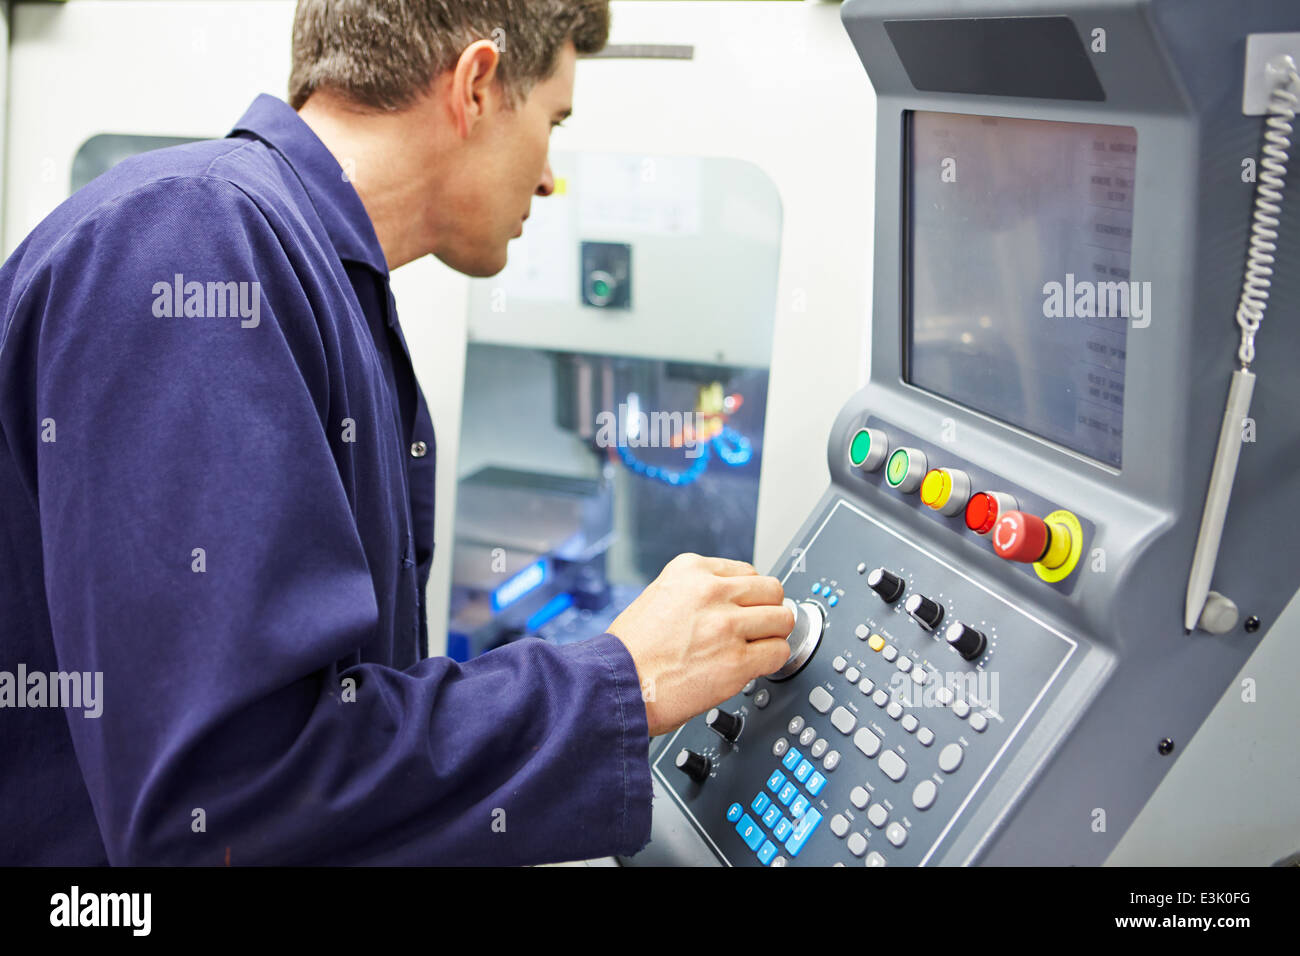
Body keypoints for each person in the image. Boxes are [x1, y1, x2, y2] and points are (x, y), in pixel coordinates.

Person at [0, 0, 793, 864]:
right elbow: (228, 804)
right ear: (478, 86)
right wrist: (624, 681)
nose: (548, 178)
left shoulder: (318, 277)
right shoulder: (192, 244)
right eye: (552, 121)